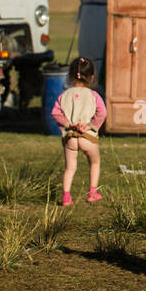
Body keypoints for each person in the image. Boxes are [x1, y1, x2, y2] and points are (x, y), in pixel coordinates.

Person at [50, 56, 107, 205]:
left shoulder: (64, 95)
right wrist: (90, 126)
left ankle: (66, 196)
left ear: (70, 75)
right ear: (92, 77)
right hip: (87, 137)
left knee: (70, 167)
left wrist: (69, 124)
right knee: (94, 162)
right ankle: (92, 192)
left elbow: (55, 113)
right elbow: (102, 113)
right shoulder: (94, 96)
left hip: (71, 137)